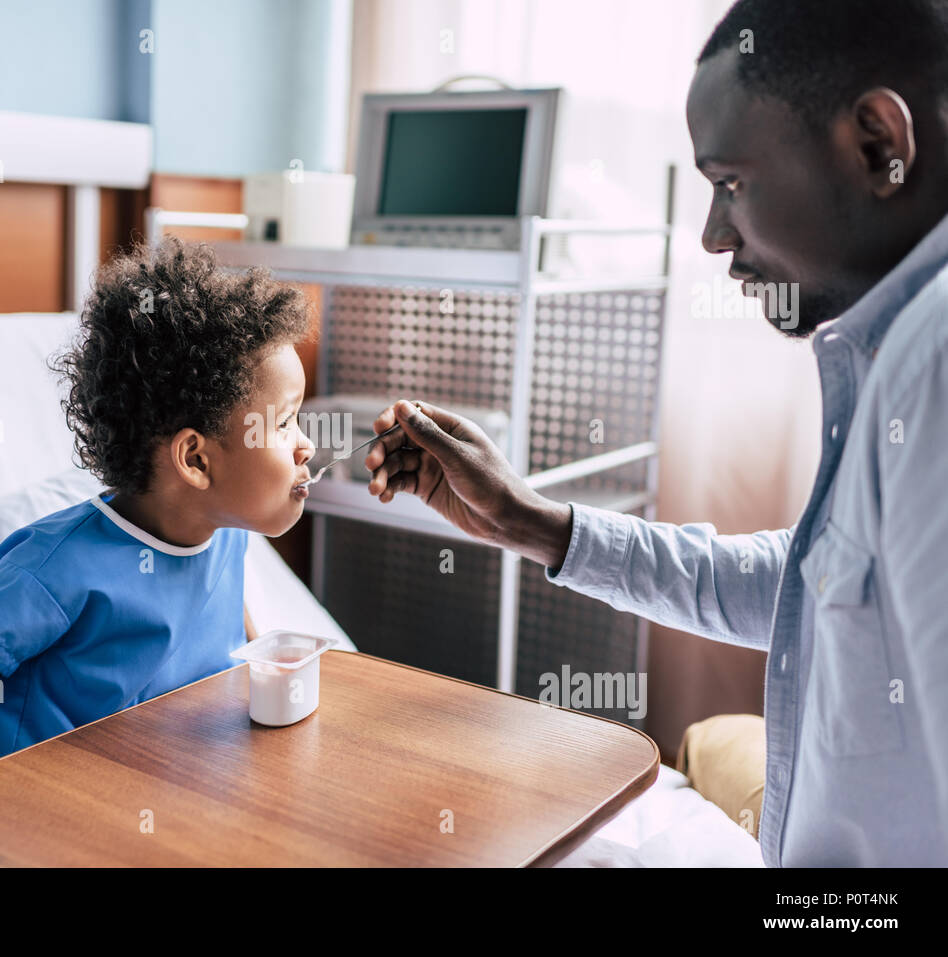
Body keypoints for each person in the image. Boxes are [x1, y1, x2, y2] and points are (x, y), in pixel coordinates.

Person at [363, 0, 948, 866]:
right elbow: (813, 590)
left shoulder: (931, 363)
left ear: (877, 146)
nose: (713, 236)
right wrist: (532, 521)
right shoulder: (897, 348)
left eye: (733, 183)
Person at [0, 237, 316, 802]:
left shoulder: (224, 540)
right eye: (285, 423)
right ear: (195, 459)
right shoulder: (53, 572)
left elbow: (237, 675)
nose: (307, 445)